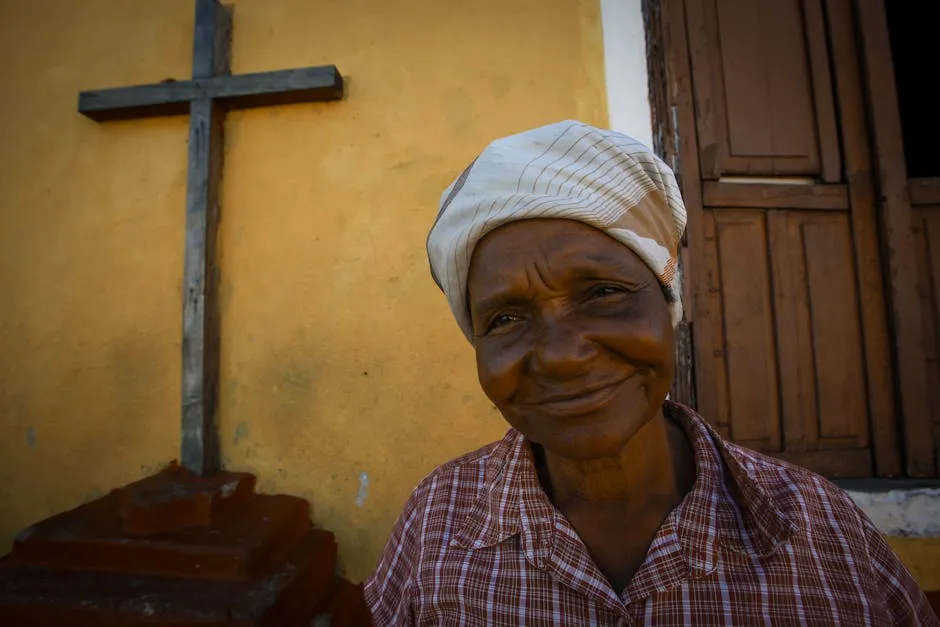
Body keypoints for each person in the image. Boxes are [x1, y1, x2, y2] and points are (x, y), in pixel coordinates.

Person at [364, 121, 938, 625]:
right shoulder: (437, 521)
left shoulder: (821, 533)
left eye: (604, 293)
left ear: (669, 305)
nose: (562, 355)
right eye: (506, 317)